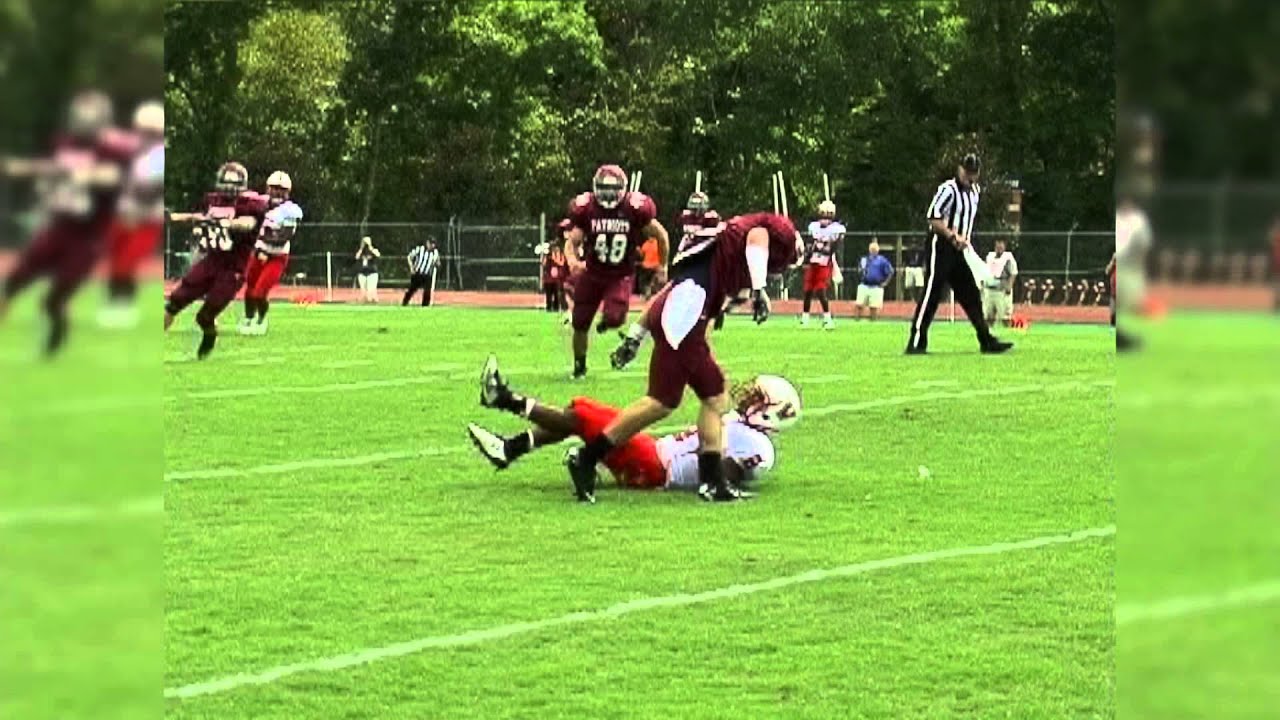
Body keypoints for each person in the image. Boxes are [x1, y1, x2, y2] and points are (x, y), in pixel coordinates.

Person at [570, 211, 802, 503]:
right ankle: (588, 457)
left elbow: (669, 293)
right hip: (684, 319)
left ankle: (712, 482)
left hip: (682, 314)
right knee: (661, 402)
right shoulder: (774, 234)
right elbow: (759, 237)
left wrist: (636, 335)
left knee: (714, 396)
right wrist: (758, 289)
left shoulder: (716, 260)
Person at [469, 356, 799, 501]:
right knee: (583, 414)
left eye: (758, 398)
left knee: (582, 415)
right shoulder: (739, 423)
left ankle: (504, 400)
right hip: (654, 452)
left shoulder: (760, 448)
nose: (748, 397)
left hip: (658, 469)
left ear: (772, 414)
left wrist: (721, 478)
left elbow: (726, 472)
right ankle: (508, 449)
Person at [0, 90, 134, 356]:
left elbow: (112, 176)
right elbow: (51, 168)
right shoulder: (64, 141)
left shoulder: (112, 148)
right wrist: (24, 170)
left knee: (56, 296)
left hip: (89, 235)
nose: (82, 120)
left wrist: (84, 175)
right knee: (14, 280)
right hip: (59, 225)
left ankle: (57, 332)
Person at [562, 164, 670, 379]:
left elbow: (661, 236)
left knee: (615, 317)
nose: (609, 194)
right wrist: (572, 261)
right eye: (604, 188)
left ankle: (606, 322)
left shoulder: (634, 209)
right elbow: (572, 242)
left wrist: (663, 266)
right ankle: (579, 367)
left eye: (613, 189)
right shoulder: (588, 209)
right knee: (580, 322)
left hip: (620, 275)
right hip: (592, 273)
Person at [905, 153, 1012, 355]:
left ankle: (986, 340)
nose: (968, 176)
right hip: (941, 245)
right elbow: (933, 218)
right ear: (960, 169)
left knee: (970, 294)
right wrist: (952, 235)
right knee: (933, 292)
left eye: (973, 173)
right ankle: (916, 340)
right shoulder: (948, 190)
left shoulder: (975, 192)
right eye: (966, 171)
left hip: (959, 250)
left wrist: (965, 241)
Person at [164, 162, 270, 360]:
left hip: (233, 268)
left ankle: (210, 334)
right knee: (174, 301)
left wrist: (229, 223)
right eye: (226, 182)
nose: (229, 187)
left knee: (205, 316)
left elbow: (248, 223)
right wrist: (175, 218)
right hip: (211, 261)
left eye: (234, 183)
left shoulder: (249, 205)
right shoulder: (213, 200)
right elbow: (199, 217)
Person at [99, 99, 165, 329]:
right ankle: (113, 303)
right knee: (115, 261)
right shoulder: (132, 150)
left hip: (145, 218)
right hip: (124, 213)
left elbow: (151, 190)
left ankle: (124, 305)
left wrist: (137, 212)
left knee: (127, 262)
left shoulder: (157, 156)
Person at [239, 171, 302, 335]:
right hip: (258, 252)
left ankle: (261, 319)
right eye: (274, 188)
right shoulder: (259, 204)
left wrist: (263, 241)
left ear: (288, 193)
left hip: (277, 255)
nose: (277, 192)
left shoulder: (290, 210)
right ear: (268, 188)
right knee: (250, 289)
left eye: (281, 189)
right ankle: (248, 318)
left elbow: (285, 236)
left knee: (260, 293)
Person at [1114, 189, 1152, 351]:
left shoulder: (1138, 220)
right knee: (1117, 300)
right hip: (1118, 263)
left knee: (1128, 301)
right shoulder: (1117, 218)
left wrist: (1138, 263)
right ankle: (1119, 337)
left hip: (1130, 264)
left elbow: (1144, 244)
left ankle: (1119, 336)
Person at [801, 200, 844, 329]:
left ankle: (827, 318)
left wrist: (823, 247)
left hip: (824, 263)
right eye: (823, 214)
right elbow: (810, 245)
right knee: (808, 291)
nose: (824, 218)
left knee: (820, 290)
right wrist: (809, 251)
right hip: (813, 262)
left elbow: (833, 248)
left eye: (827, 215)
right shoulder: (814, 227)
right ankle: (805, 318)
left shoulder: (836, 229)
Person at [982, 238, 1019, 327]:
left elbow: (1013, 273)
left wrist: (1009, 286)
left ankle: (1008, 332)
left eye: (1001, 246)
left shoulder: (1008, 258)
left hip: (1002, 290)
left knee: (1005, 318)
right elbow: (985, 270)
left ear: (1004, 247)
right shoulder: (990, 257)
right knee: (988, 317)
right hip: (989, 290)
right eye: (997, 246)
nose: (999, 248)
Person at [853, 240, 894, 321]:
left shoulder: (882, 260)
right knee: (859, 305)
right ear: (869, 250)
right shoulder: (864, 259)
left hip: (876, 286)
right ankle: (857, 320)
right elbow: (859, 270)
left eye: (875, 249)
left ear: (878, 250)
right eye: (872, 249)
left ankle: (873, 321)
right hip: (864, 285)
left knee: (874, 307)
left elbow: (890, 271)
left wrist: (885, 283)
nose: (873, 251)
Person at [403, 237, 439, 307]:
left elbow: (437, 261)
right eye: (431, 243)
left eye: (433, 244)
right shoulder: (420, 249)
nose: (432, 245)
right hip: (418, 274)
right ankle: (404, 303)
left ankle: (425, 306)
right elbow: (409, 257)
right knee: (412, 289)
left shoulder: (435, 252)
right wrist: (411, 268)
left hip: (427, 275)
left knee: (427, 291)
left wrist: (437, 264)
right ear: (427, 243)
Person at [541, 240, 569, 312]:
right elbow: (543, 264)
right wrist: (546, 256)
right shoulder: (547, 256)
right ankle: (549, 308)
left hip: (556, 279)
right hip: (548, 279)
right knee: (549, 296)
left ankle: (556, 308)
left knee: (556, 295)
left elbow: (562, 263)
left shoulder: (560, 255)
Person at [355, 236, 381, 303]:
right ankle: (365, 301)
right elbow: (356, 257)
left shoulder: (373, 250)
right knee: (363, 290)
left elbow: (378, 255)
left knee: (371, 289)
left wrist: (370, 246)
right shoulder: (361, 251)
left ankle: (373, 300)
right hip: (362, 272)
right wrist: (361, 248)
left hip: (372, 272)